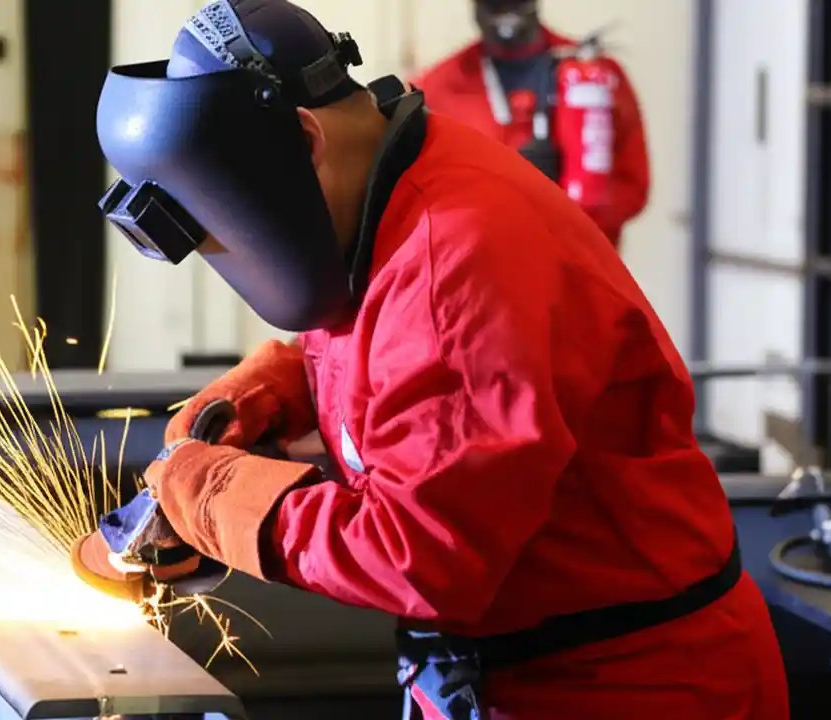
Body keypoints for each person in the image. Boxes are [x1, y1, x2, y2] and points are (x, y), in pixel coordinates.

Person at [91, 1, 788, 718]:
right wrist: (288, 385)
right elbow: (407, 353)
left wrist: (213, 501)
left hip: (629, 689)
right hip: (531, 668)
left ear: (302, 144)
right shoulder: (402, 172)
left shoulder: (457, 263)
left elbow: (418, 554)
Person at [415, 0, 650, 249]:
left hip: (580, 267)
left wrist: (571, 203)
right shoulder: (434, 91)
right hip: (484, 268)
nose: (505, 12)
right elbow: (420, 201)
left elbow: (633, 182)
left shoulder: (595, 78)